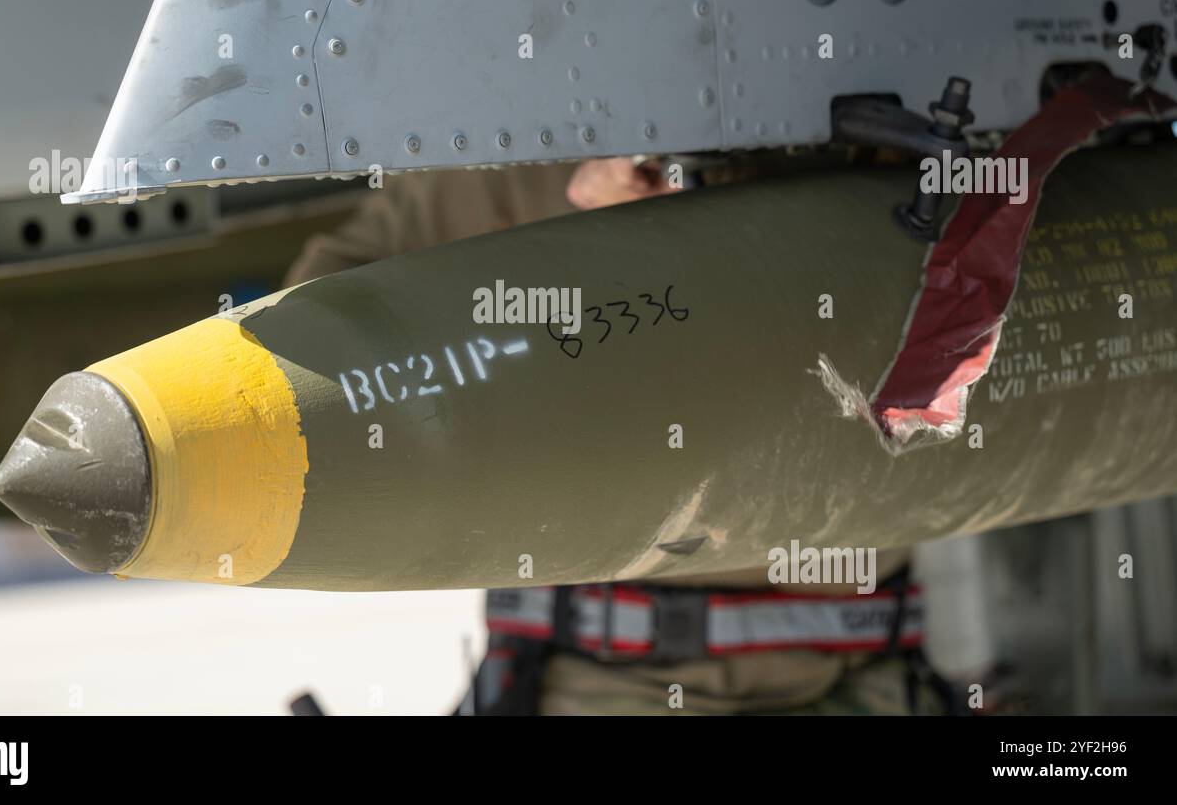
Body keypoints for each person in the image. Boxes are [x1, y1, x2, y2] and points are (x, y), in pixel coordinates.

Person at [285, 157, 950, 716]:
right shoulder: (514, 160)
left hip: (867, 669)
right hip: (607, 681)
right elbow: (306, 359)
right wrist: (579, 257)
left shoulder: (872, 139)